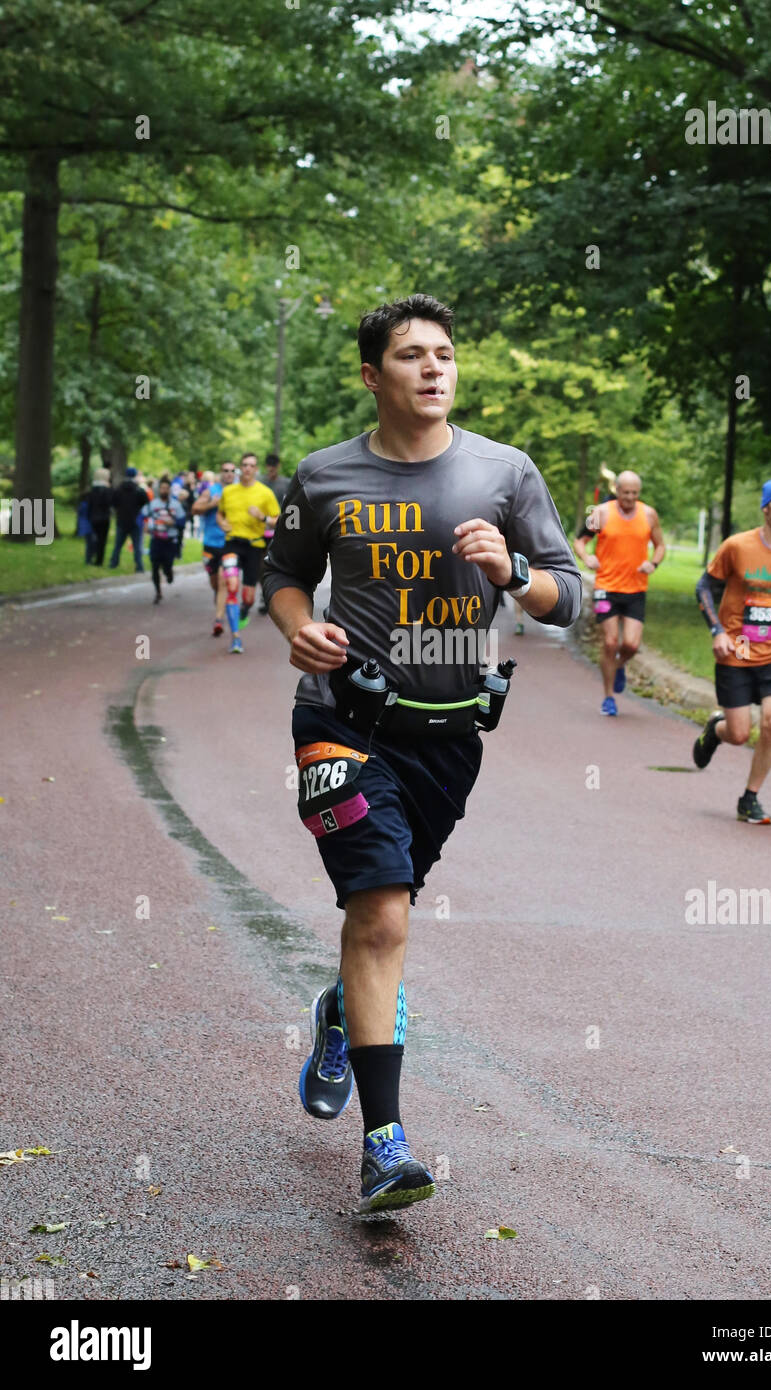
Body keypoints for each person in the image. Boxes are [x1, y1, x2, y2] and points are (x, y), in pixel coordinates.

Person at [262, 293, 581, 1213]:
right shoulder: (324, 475)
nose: (433, 367)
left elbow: (575, 595)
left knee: (383, 918)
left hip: (446, 737)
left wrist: (512, 574)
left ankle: (338, 1007)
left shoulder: (504, 473)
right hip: (340, 721)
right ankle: (384, 1145)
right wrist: (296, 628)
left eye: (444, 353)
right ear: (373, 375)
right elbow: (281, 575)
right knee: (383, 915)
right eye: (410, 355)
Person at [692, 475, 771, 824]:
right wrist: (716, 630)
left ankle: (750, 798)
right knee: (739, 734)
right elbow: (704, 586)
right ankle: (716, 730)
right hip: (736, 648)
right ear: (766, 507)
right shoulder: (737, 546)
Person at [574, 470, 666, 715]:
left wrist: (653, 564)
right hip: (606, 588)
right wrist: (587, 557)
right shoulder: (602, 513)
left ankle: (619, 666)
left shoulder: (649, 515)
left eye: (635, 493)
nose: (630, 498)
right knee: (611, 642)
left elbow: (660, 546)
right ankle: (608, 697)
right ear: (617, 490)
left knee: (631, 645)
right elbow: (580, 541)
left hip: (635, 589)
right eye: (625, 493)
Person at [218, 452, 280, 653]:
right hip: (232, 544)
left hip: (254, 546)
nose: (247, 468)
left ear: (256, 469)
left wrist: (262, 517)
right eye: (244, 465)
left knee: (248, 597)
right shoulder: (229, 492)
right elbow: (220, 513)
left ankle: (244, 610)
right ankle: (236, 638)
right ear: (240, 467)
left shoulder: (265, 493)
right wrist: (221, 523)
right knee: (231, 585)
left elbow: (278, 520)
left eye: (251, 465)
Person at [192, 462, 237, 635]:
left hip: (229, 543)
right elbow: (195, 508)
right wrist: (212, 504)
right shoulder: (211, 491)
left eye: (232, 471)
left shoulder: (239, 491)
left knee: (223, 580)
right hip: (211, 543)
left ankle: (218, 619)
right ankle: (221, 605)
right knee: (215, 584)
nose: (228, 474)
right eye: (225, 471)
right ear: (221, 472)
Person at [145, 476, 186, 604]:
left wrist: (173, 522)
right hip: (156, 539)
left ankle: (169, 574)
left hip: (170, 540)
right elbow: (143, 516)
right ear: (159, 489)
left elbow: (182, 521)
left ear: (170, 490)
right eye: (162, 488)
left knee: (167, 565)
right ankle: (158, 592)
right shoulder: (153, 504)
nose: (164, 490)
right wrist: (145, 525)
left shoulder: (176, 504)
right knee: (155, 566)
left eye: (167, 488)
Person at [259, 455, 291, 614]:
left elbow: (291, 507)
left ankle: (271, 596)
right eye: (269, 467)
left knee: (273, 564)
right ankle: (264, 595)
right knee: (261, 565)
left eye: (274, 467)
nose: (271, 471)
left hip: (278, 529)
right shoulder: (260, 482)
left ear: (278, 466)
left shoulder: (285, 483)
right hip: (260, 529)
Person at [108, 467, 149, 571]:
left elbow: (113, 502)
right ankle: (139, 566)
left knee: (118, 545)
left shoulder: (119, 489)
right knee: (137, 546)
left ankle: (113, 563)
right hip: (135, 520)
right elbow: (146, 501)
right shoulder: (138, 489)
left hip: (121, 520)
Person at [84, 467, 113, 565]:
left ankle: (89, 558)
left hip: (93, 517)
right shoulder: (108, 490)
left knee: (92, 539)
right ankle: (99, 561)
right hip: (104, 518)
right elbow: (109, 503)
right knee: (102, 540)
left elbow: (89, 504)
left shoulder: (92, 490)